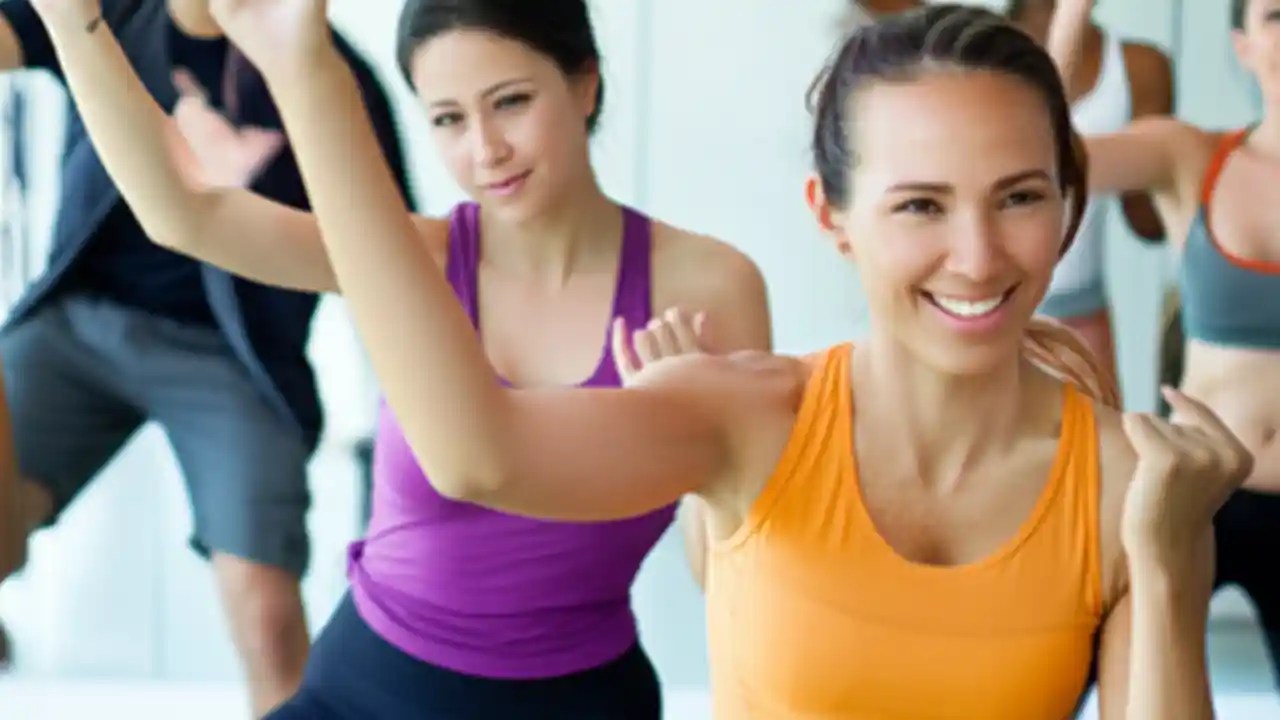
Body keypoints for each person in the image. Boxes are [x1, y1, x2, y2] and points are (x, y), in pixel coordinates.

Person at [218, 1, 1251, 718]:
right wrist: (308, 77)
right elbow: (476, 457)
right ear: (832, 217)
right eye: (919, 207)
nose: (976, 256)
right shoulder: (752, 415)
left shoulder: (1133, 485)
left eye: (1018, 197)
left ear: (1067, 203)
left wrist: (1164, 567)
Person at [31, 0, 772, 716]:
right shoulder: (416, 263)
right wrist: (75, 23)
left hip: (586, 697)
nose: (486, 150)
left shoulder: (708, 286)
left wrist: (703, 428)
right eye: (449, 119)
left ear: (585, 83)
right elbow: (186, 213)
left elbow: (733, 576)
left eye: (511, 102)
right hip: (369, 690)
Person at [0, 0, 410, 714]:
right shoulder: (111, 16)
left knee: (267, 617)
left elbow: (393, 264)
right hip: (82, 325)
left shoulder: (330, 73)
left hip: (235, 361)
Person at [1052, 0, 1280, 693]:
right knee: (1072, 678)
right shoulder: (1192, 157)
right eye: (1278, 16)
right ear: (1243, 46)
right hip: (1194, 492)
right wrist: (1071, 18)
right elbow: (1045, 153)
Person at [853, 0, 1172, 384]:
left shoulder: (1140, 66)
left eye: (1021, 196)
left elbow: (1146, 221)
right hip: (959, 306)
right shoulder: (965, 55)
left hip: (1081, 314)